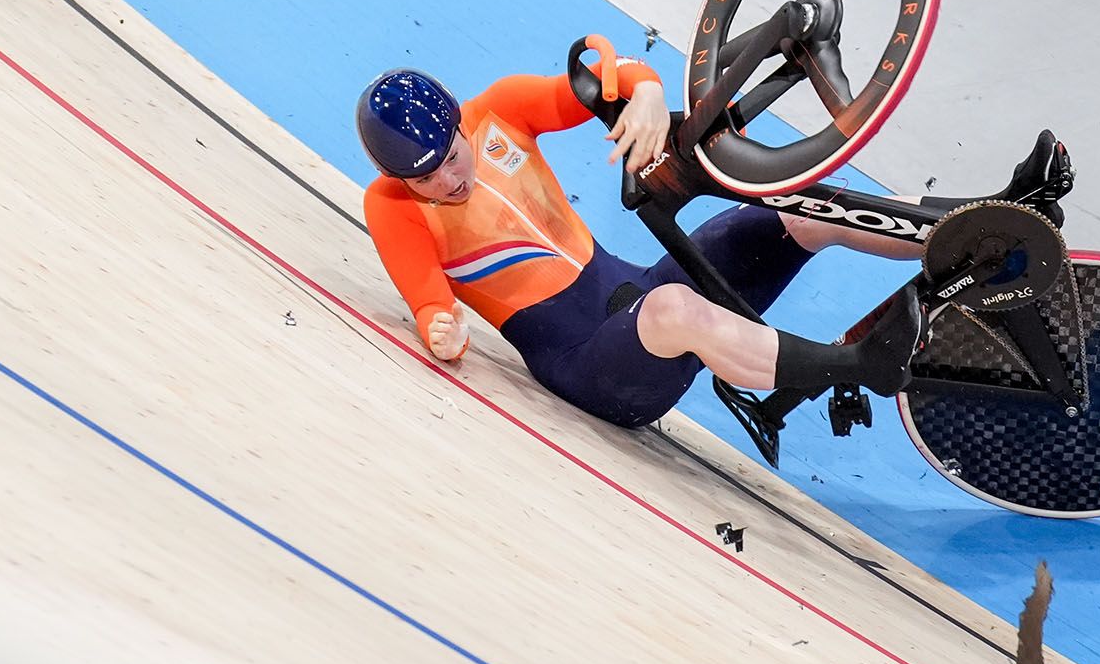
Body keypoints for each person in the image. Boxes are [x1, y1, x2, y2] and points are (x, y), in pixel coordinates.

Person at [357, 37, 929, 429]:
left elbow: (606, 78)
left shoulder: (500, 110)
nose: (450, 181)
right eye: (425, 179)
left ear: (461, 123)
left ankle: (959, 229)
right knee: (674, 308)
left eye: (452, 158)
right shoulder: (389, 207)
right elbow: (430, 305)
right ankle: (861, 366)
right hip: (590, 364)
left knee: (800, 213)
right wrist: (440, 330)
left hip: (637, 291)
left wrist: (649, 93)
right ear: (395, 177)